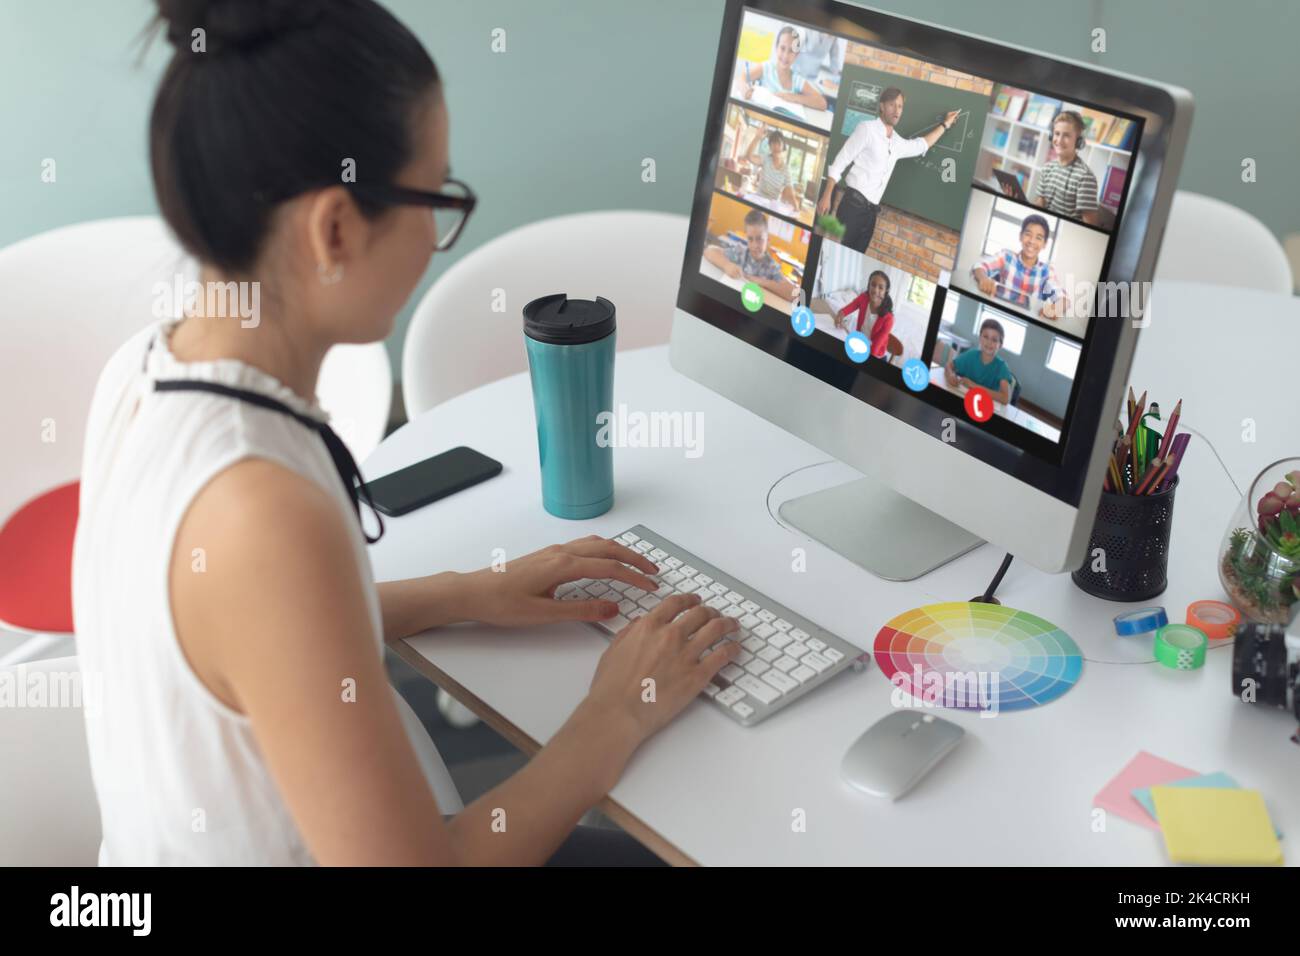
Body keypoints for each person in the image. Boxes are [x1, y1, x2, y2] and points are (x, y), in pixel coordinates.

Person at [71, 0, 741, 867]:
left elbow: (254, 637)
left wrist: (467, 591)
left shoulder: (141, 372)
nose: (436, 238)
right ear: (337, 226)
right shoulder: (260, 511)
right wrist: (618, 710)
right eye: (436, 197)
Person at [816, 88, 960, 253]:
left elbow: (923, 144)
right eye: (892, 105)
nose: (897, 110)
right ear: (882, 106)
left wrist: (945, 125)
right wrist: (826, 196)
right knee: (839, 257)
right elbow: (841, 160)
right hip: (852, 207)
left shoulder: (897, 143)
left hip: (870, 214)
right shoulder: (866, 129)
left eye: (900, 106)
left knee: (854, 259)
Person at [970, 213, 1069, 320]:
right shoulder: (1006, 257)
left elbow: (1064, 298)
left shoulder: (1047, 271)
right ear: (1020, 236)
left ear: (1045, 244)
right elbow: (979, 266)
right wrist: (983, 279)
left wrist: (1057, 307)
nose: (1031, 241)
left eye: (1038, 238)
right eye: (1028, 234)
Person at [1014, 111, 1099, 225]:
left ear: (1078, 141)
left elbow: (1090, 225)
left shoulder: (1085, 177)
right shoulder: (1047, 168)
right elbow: (1041, 201)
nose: (1059, 140)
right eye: (1057, 133)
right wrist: (1019, 202)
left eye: (1066, 135)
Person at [703, 208, 800, 303]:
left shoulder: (771, 266)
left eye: (759, 239)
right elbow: (709, 250)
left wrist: (762, 282)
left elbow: (794, 294)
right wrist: (726, 265)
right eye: (750, 239)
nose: (754, 245)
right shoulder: (740, 253)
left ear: (768, 240)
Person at [736, 25, 828, 112]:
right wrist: (744, 88)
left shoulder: (797, 79)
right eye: (782, 48)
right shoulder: (766, 68)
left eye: (791, 51)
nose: (785, 55)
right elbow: (742, 77)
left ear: (796, 55)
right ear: (776, 48)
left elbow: (822, 103)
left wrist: (792, 97)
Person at [945, 318, 1014, 405]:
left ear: (1000, 345)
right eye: (986, 337)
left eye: (994, 340)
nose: (989, 342)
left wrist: (974, 386)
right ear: (980, 338)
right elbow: (949, 365)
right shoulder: (971, 355)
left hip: (983, 406)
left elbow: (1005, 398)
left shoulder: (1002, 367)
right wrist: (950, 375)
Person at [833, 269, 894, 359]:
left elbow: (875, 348)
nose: (875, 290)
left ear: (886, 291)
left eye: (881, 287)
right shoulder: (863, 298)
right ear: (868, 285)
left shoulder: (889, 319)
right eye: (873, 285)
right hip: (859, 343)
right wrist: (840, 314)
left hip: (875, 355)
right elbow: (848, 308)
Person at [744, 129, 799, 209]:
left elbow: (790, 194)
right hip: (757, 201)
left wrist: (796, 208)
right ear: (770, 147)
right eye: (773, 143)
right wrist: (757, 138)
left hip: (771, 206)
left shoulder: (786, 169)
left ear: (783, 146)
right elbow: (749, 156)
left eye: (778, 143)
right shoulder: (765, 159)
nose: (776, 146)